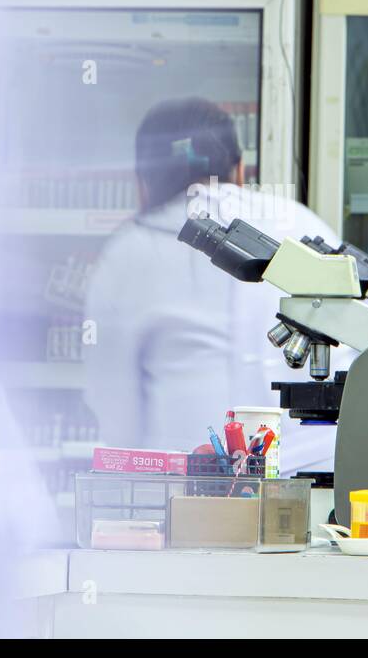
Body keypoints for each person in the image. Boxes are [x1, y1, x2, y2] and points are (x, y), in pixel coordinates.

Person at [84, 98, 345, 474]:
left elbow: (114, 408)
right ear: (239, 169)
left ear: (143, 181)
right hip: (310, 481)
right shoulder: (302, 223)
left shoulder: (128, 251)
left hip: (185, 492)